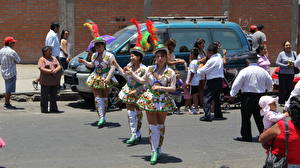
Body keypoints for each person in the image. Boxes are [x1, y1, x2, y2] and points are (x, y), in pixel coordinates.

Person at [125, 45, 176, 165]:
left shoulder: (171, 72)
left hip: (163, 100)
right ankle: (153, 151)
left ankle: (159, 148)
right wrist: (131, 73)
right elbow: (142, 81)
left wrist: (161, 87)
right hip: (151, 99)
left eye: (162, 56)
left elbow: (173, 88)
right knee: (152, 126)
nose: (160, 58)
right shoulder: (150, 69)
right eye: (157, 56)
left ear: (166, 57)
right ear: (155, 58)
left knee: (160, 125)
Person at [230, 51, 273, 142]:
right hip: (260, 97)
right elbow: (270, 84)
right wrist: (267, 90)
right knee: (260, 118)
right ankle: (264, 135)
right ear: (257, 60)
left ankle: (246, 136)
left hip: (247, 97)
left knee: (246, 118)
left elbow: (237, 84)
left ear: (248, 60)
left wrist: (232, 94)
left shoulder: (244, 71)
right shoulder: (263, 71)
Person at [78, 37, 116, 128]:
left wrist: (108, 78)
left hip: (105, 77)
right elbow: (92, 65)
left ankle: (103, 115)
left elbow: (113, 67)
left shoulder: (110, 55)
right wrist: (84, 62)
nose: (98, 47)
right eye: (96, 45)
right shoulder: (94, 55)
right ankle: (101, 117)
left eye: (100, 45)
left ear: (104, 46)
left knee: (104, 97)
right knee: (97, 97)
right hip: (96, 76)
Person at [113, 48, 146, 145]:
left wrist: (136, 90)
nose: (130, 58)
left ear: (139, 57)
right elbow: (125, 75)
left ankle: (138, 132)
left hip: (139, 92)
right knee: (130, 113)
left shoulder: (144, 69)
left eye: (133, 56)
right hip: (129, 90)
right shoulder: (129, 66)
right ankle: (133, 134)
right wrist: (117, 65)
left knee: (138, 113)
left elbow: (144, 83)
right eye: (130, 56)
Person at [259, 95, 300, 167]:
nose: (275, 104)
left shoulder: (282, 125)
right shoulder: (270, 114)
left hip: (283, 163)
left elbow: (262, 139)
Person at [197, 43, 225, 122]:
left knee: (207, 98)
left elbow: (202, 71)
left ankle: (207, 116)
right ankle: (218, 114)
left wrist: (200, 66)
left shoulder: (211, 61)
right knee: (217, 98)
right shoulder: (219, 56)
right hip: (219, 80)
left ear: (210, 52)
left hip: (212, 81)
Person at [33, 22, 61, 89]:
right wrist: (51, 57)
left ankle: (36, 81)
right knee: (58, 71)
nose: (59, 30)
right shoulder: (53, 35)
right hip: (53, 56)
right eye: (58, 28)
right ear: (55, 28)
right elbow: (50, 46)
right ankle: (57, 85)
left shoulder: (51, 34)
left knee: (49, 70)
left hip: (52, 56)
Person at [38, 46, 62, 113]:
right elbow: (41, 68)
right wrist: (50, 71)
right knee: (44, 96)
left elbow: (59, 66)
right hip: (46, 81)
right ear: (45, 52)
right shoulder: (42, 59)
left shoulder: (54, 58)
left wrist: (56, 70)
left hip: (54, 81)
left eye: (51, 51)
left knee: (54, 96)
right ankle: (44, 109)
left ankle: (53, 108)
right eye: (49, 51)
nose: (50, 52)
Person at [0, 36, 21, 109]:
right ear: (9, 43)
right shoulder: (12, 51)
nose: (14, 44)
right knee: (8, 90)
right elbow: (18, 60)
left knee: (7, 88)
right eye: (13, 42)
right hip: (11, 73)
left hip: (3, 72)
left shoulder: (1, 50)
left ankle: (7, 102)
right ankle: (6, 103)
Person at [276, 41, 298, 105]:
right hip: (283, 73)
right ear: (284, 47)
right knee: (282, 88)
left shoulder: (294, 53)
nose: (288, 46)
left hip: (291, 73)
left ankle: (288, 101)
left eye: (289, 45)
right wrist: (285, 66)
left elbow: (297, 62)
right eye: (286, 45)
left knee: (290, 88)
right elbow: (277, 62)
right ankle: (282, 102)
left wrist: (293, 64)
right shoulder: (281, 54)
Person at [186, 48, 202, 114]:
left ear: (192, 54)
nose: (190, 55)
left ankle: (195, 108)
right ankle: (196, 107)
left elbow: (192, 72)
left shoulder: (193, 62)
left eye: (190, 54)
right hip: (197, 80)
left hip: (193, 81)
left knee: (194, 95)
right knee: (195, 95)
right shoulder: (197, 61)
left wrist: (188, 81)